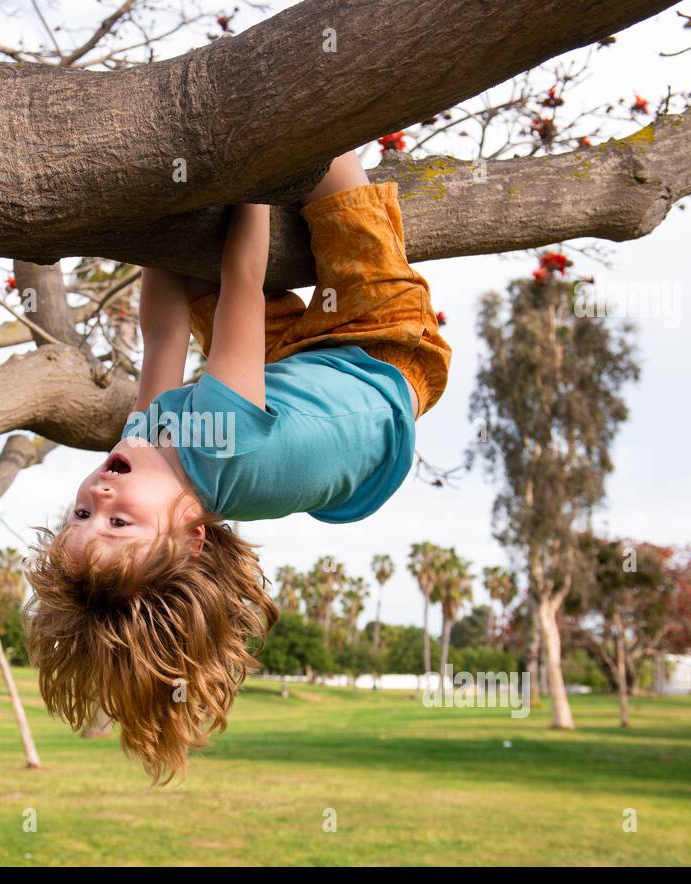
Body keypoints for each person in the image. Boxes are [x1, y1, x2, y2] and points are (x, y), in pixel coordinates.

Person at [24, 150, 452, 783]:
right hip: (384, 356)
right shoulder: (220, 441)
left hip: (288, 375)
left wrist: (151, 229)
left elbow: (164, 336)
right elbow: (245, 283)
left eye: (83, 512)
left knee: (193, 265)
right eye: (119, 524)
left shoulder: (146, 443)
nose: (102, 493)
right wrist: (250, 179)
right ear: (194, 536)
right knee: (328, 176)